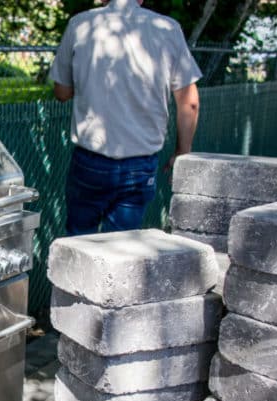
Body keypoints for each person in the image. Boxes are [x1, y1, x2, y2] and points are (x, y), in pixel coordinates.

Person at [49, 0, 201, 236]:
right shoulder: (168, 28)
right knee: (123, 247)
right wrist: (182, 152)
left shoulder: (80, 24)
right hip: (140, 164)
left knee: (79, 243)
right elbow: (189, 102)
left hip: (91, 160)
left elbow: (62, 92)